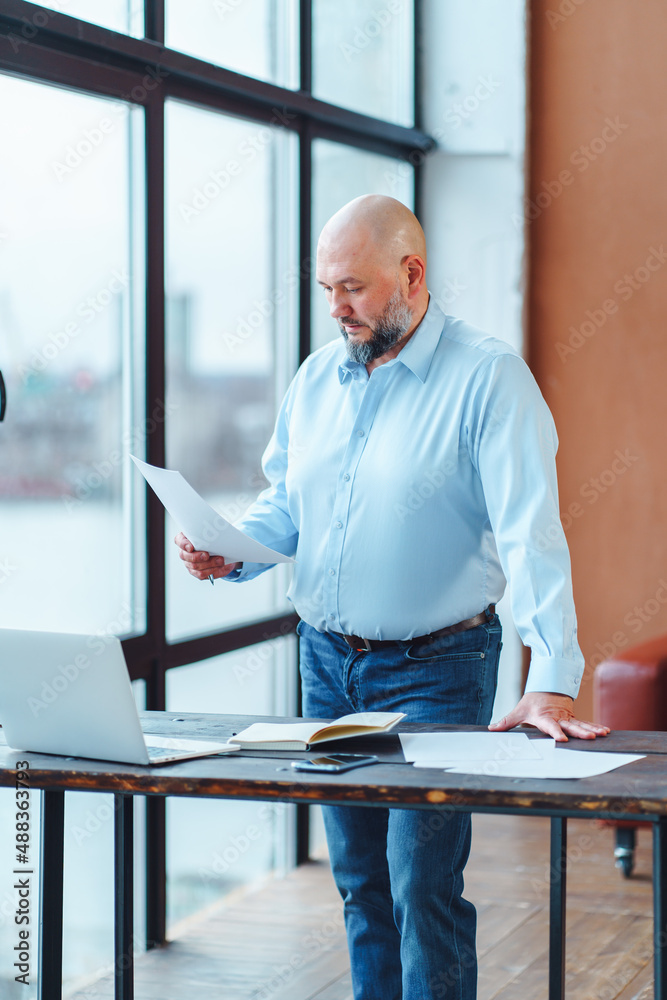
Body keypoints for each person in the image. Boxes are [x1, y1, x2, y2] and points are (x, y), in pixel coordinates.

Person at [176, 194, 609, 1000]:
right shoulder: (315, 378)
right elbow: (288, 505)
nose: (335, 308)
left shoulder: (487, 378)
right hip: (326, 666)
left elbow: (530, 534)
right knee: (360, 884)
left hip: (436, 668)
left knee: (422, 889)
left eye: (352, 287)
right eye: (324, 289)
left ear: (411, 274)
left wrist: (550, 674)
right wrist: (232, 552)